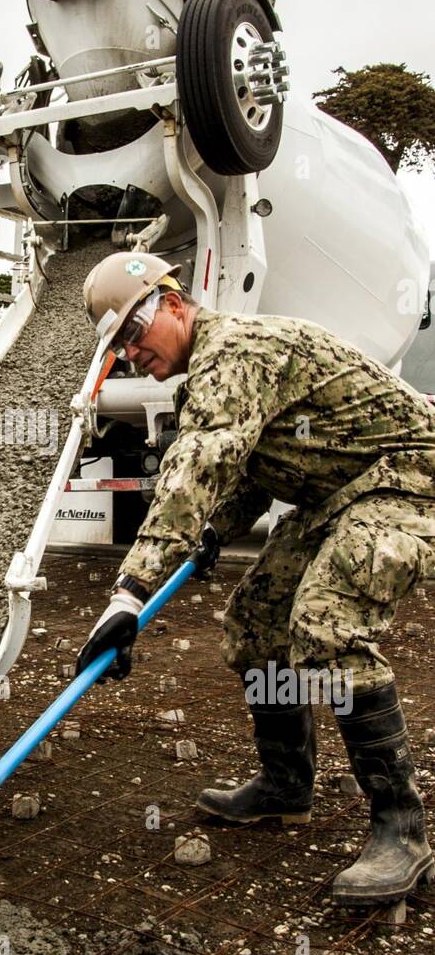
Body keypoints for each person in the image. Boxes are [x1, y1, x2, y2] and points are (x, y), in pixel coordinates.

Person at [78, 249, 435, 905]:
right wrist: (216, 530)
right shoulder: (204, 379)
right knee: (256, 625)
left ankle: (402, 830)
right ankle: (286, 786)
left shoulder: (239, 349)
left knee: (325, 625)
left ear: (176, 305)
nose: (130, 354)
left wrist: (128, 591)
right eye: (117, 346)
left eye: (134, 332)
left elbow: (203, 458)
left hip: (408, 477)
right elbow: (243, 474)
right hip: (337, 495)